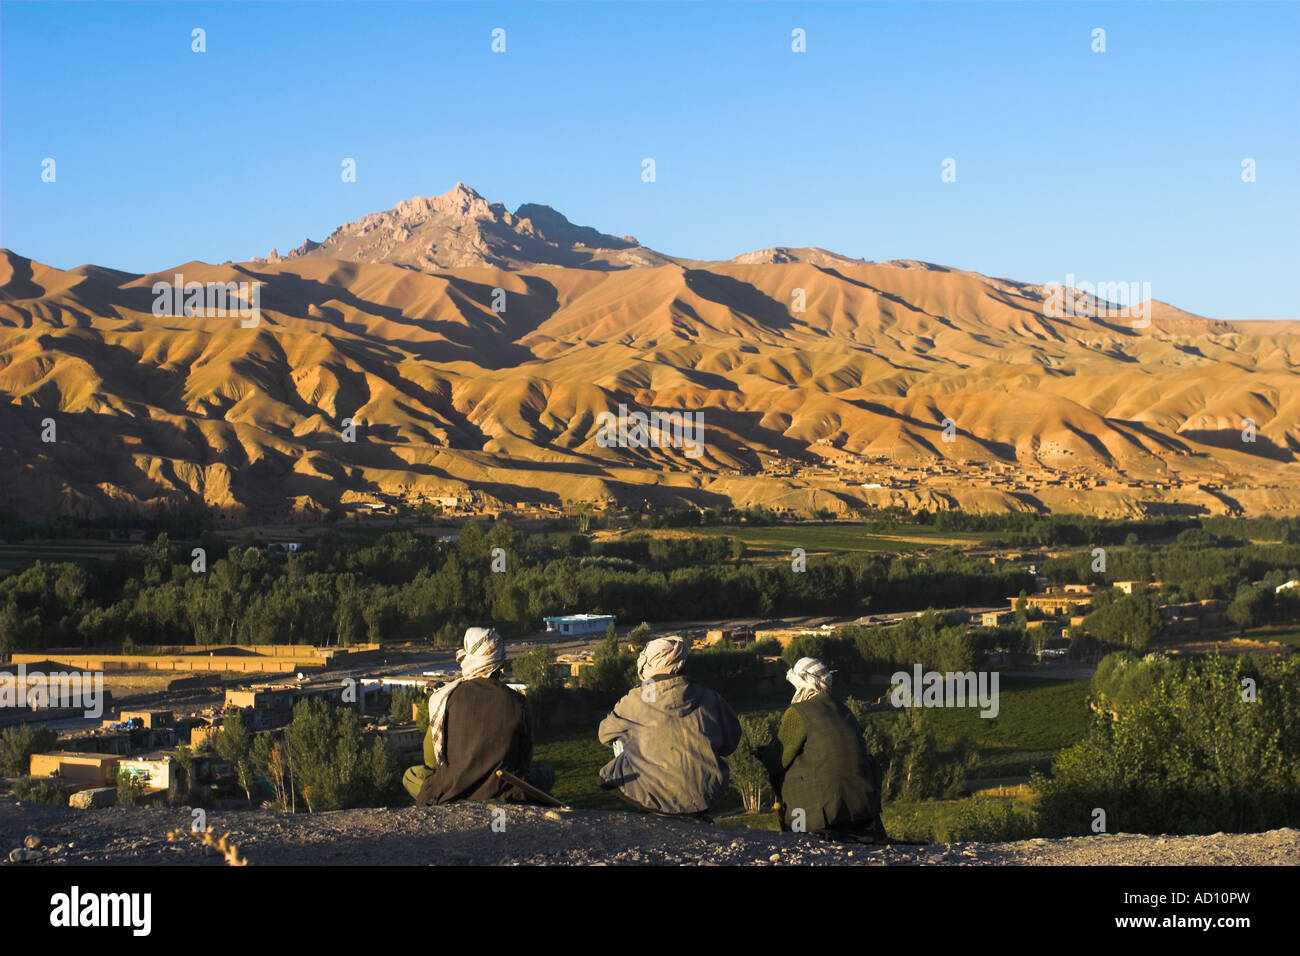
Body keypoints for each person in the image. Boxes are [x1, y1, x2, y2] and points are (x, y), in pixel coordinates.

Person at [402, 626, 554, 805]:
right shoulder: (518, 702)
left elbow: (432, 758)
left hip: (451, 789)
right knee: (546, 774)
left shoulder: (445, 698)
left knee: (411, 776)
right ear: (501, 665)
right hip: (506, 790)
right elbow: (524, 757)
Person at [597, 635, 741, 816]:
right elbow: (731, 743)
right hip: (705, 793)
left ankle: (652, 799)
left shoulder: (635, 700)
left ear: (647, 663)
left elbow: (604, 735)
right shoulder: (709, 698)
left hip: (652, 796)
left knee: (620, 741)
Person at [761, 656, 888, 841]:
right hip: (864, 805)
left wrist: (765, 754)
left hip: (825, 810)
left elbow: (777, 761)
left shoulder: (798, 712)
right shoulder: (844, 709)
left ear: (801, 682)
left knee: (783, 772)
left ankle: (797, 829)